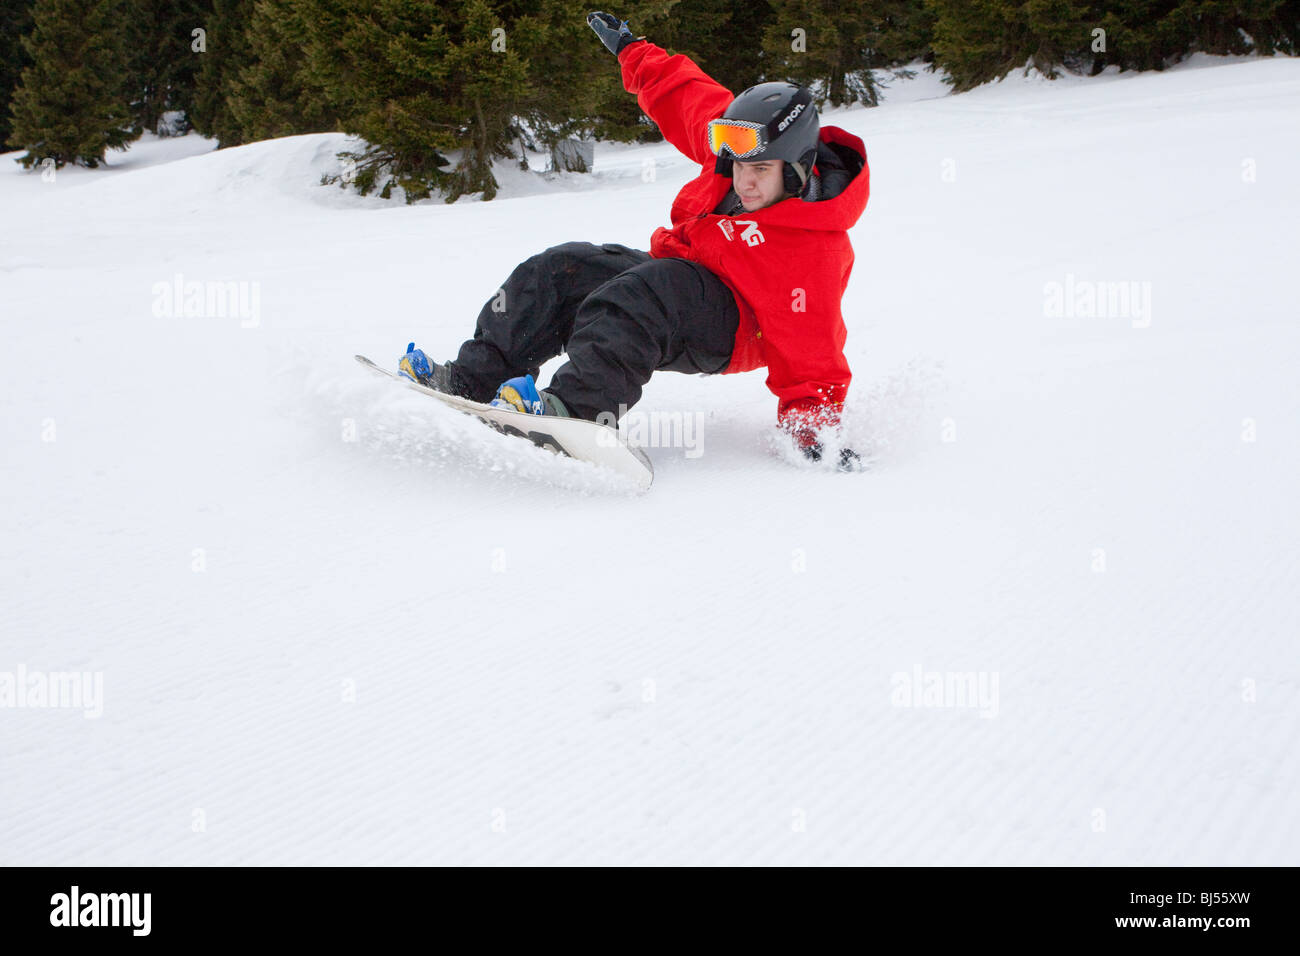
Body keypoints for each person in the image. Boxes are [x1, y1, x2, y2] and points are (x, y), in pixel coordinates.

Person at [400, 10, 869, 469]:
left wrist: (815, 431)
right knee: (563, 268)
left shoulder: (816, 248)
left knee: (643, 294)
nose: (744, 183)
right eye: (739, 167)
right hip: (680, 276)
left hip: (734, 326)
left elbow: (815, 353)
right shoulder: (738, 148)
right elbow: (687, 96)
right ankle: (474, 378)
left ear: (798, 168)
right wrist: (631, 50)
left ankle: (576, 412)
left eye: (761, 171)